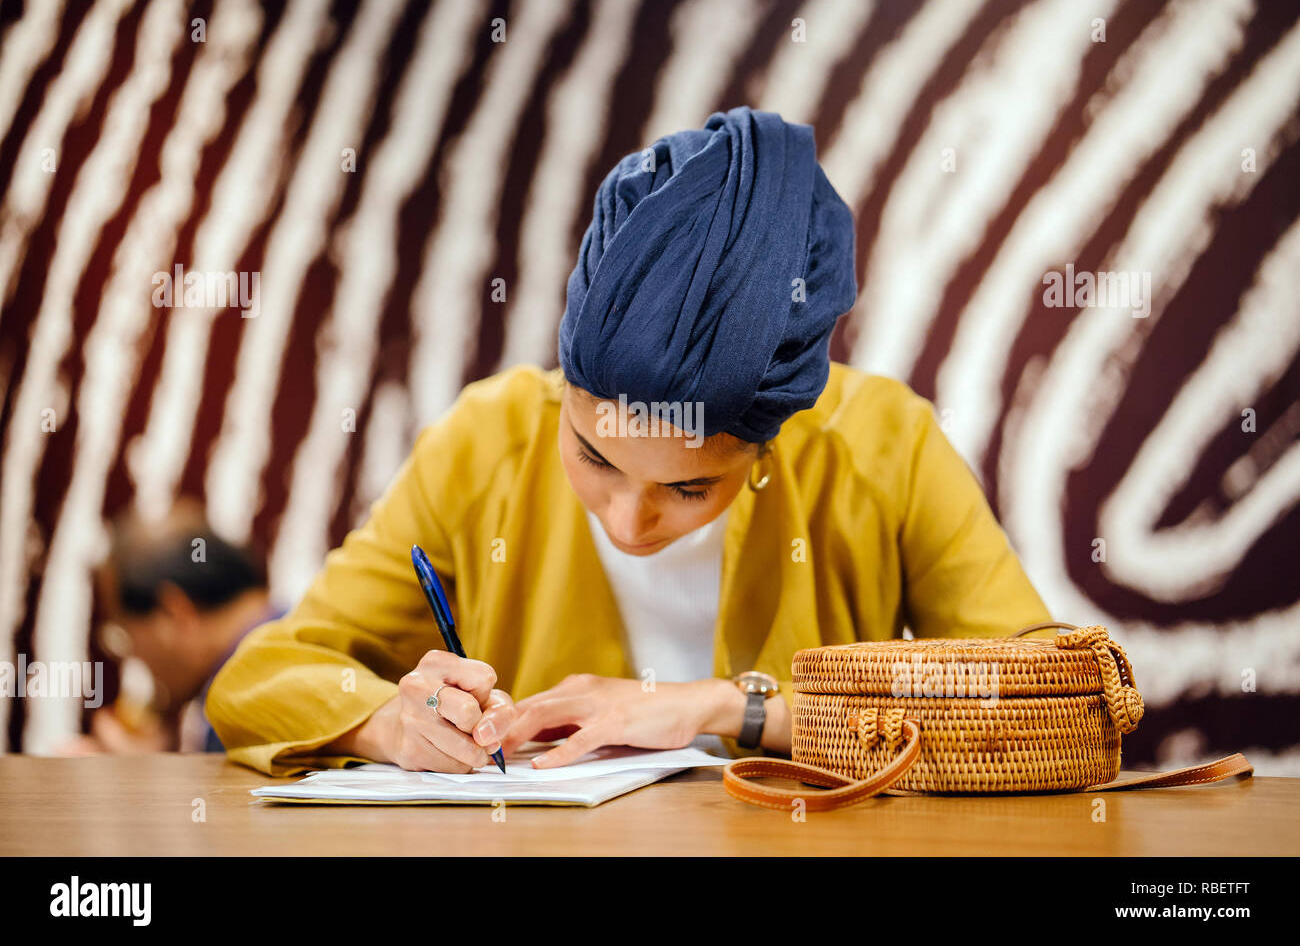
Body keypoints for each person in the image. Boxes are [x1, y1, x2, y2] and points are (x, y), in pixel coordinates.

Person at [206, 106, 1051, 777]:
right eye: (595, 456)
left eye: (689, 489)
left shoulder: (883, 444)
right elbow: (262, 677)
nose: (623, 522)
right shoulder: (486, 437)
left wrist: (732, 707)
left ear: (773, 444)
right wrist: (386, 721)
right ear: (564, 391)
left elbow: (1061, 708)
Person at [64, 505, 279, 754]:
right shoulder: (291, 632)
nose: (133, 657)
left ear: (175, 614)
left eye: (124, 636)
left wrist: (142, 781)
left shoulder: (243, 701)